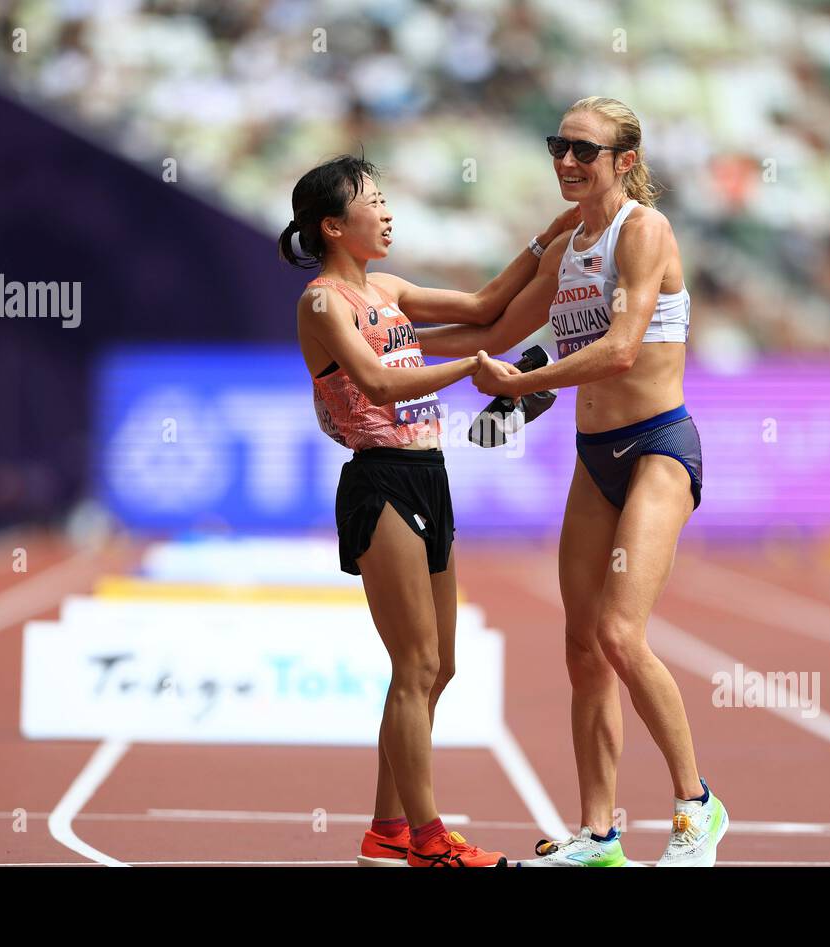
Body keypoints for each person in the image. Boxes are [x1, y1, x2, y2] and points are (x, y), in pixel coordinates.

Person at [418, 97, 727, 866]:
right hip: (597, 457)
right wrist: (384, 338)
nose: (565, 160)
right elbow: (492, 327)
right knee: (583, 649)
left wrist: (523, 389)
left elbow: (622, 350)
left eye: (583, 151)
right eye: (558, 145)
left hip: (658, 446)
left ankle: (697, 807)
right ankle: (598, 837)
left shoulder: (643, 232)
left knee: (623, 635)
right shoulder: (567, 246)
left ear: (624, 161)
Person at [280, 154, 578, 867]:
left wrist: (554, 241)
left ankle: (386, 831)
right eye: (373, 202)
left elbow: (484, 310)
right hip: (379, 480)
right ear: (332, 225)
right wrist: (473, 371)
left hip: (429, 477)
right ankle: (428, 840)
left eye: (386, 200)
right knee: (413, 665)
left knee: (438, 667)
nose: (386, 213)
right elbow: (380, 383)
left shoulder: (387, 287)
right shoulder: (322, 302)